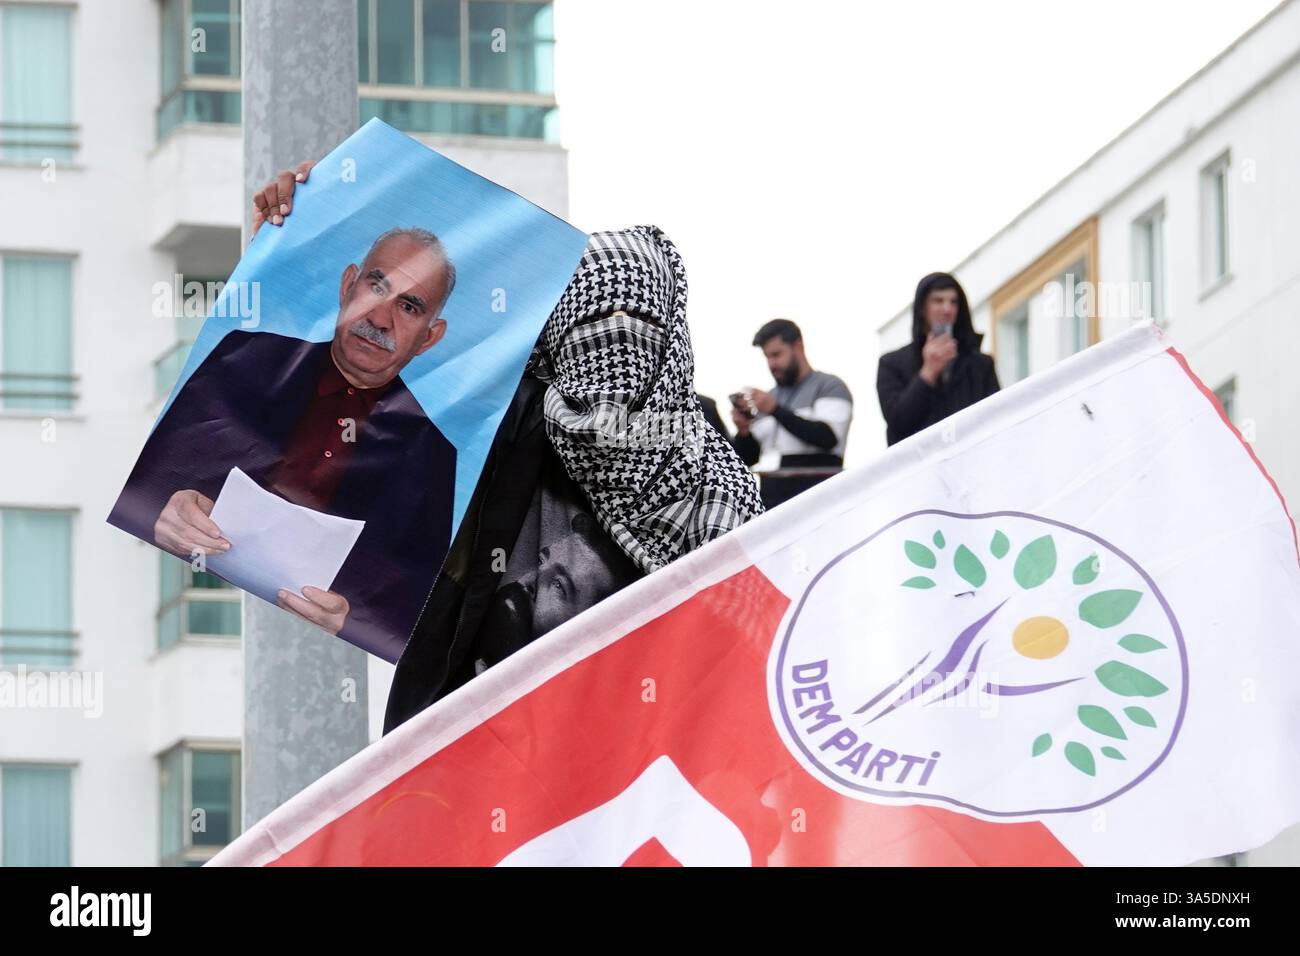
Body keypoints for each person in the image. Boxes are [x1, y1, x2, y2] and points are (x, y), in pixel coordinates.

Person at [108, 224, 458, 662]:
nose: (379, 318)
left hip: (328, 670)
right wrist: (162, 508)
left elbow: (419, 614)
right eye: (376, 286)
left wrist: (353, 618)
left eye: (408, 306)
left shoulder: (434, 456)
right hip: (192, 632)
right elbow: (131, 484)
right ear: (348, 285)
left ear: (430, 336)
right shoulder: (242, 360)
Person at [731, 319, 852, 509]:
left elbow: (828, 438)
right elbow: (748, 459)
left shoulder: (829, 386)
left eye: (777, 354)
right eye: (767, 357)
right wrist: (744, 431)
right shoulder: (769, 398)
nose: (772, 364)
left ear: (798, 347)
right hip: (772, 506)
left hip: (818, 503)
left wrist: (776, 411)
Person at [876, 272, 1000, 446]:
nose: (947, 309)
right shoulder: (892, 364)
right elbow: (898, 423)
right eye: (938, 301)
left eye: (953, 302)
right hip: (918, 466)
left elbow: (996, 418)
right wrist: (928, 373)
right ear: (922, 308)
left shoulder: (980, 365)